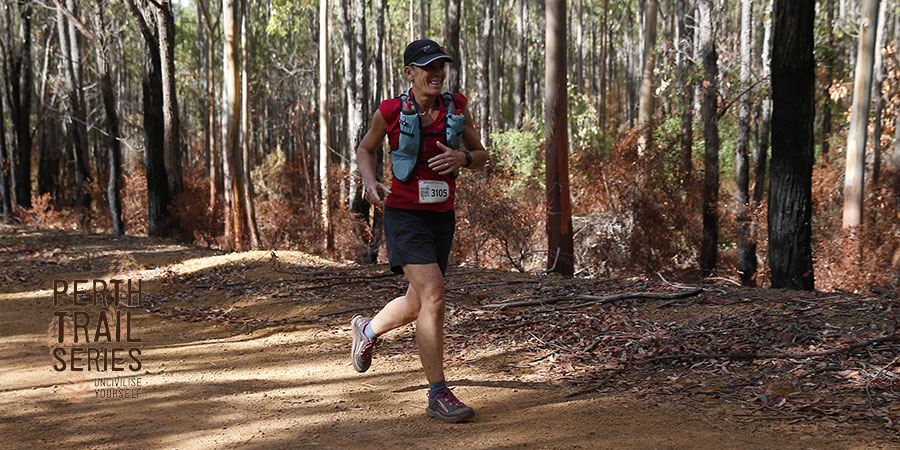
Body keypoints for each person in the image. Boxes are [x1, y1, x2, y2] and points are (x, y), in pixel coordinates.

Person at [351, 39, 488, 423]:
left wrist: (464, 157)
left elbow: (481, 155)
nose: (437, 73)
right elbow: (365, 149)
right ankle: (438, 393)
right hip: (404, 215)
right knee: (434, 294)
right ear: (409, 72)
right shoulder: (391, 110)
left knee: (417, 303)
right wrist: (369, 181)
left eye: (441, 66)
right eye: (428, 67)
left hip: (441, 217)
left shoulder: (456, 107)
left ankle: (368, 330)